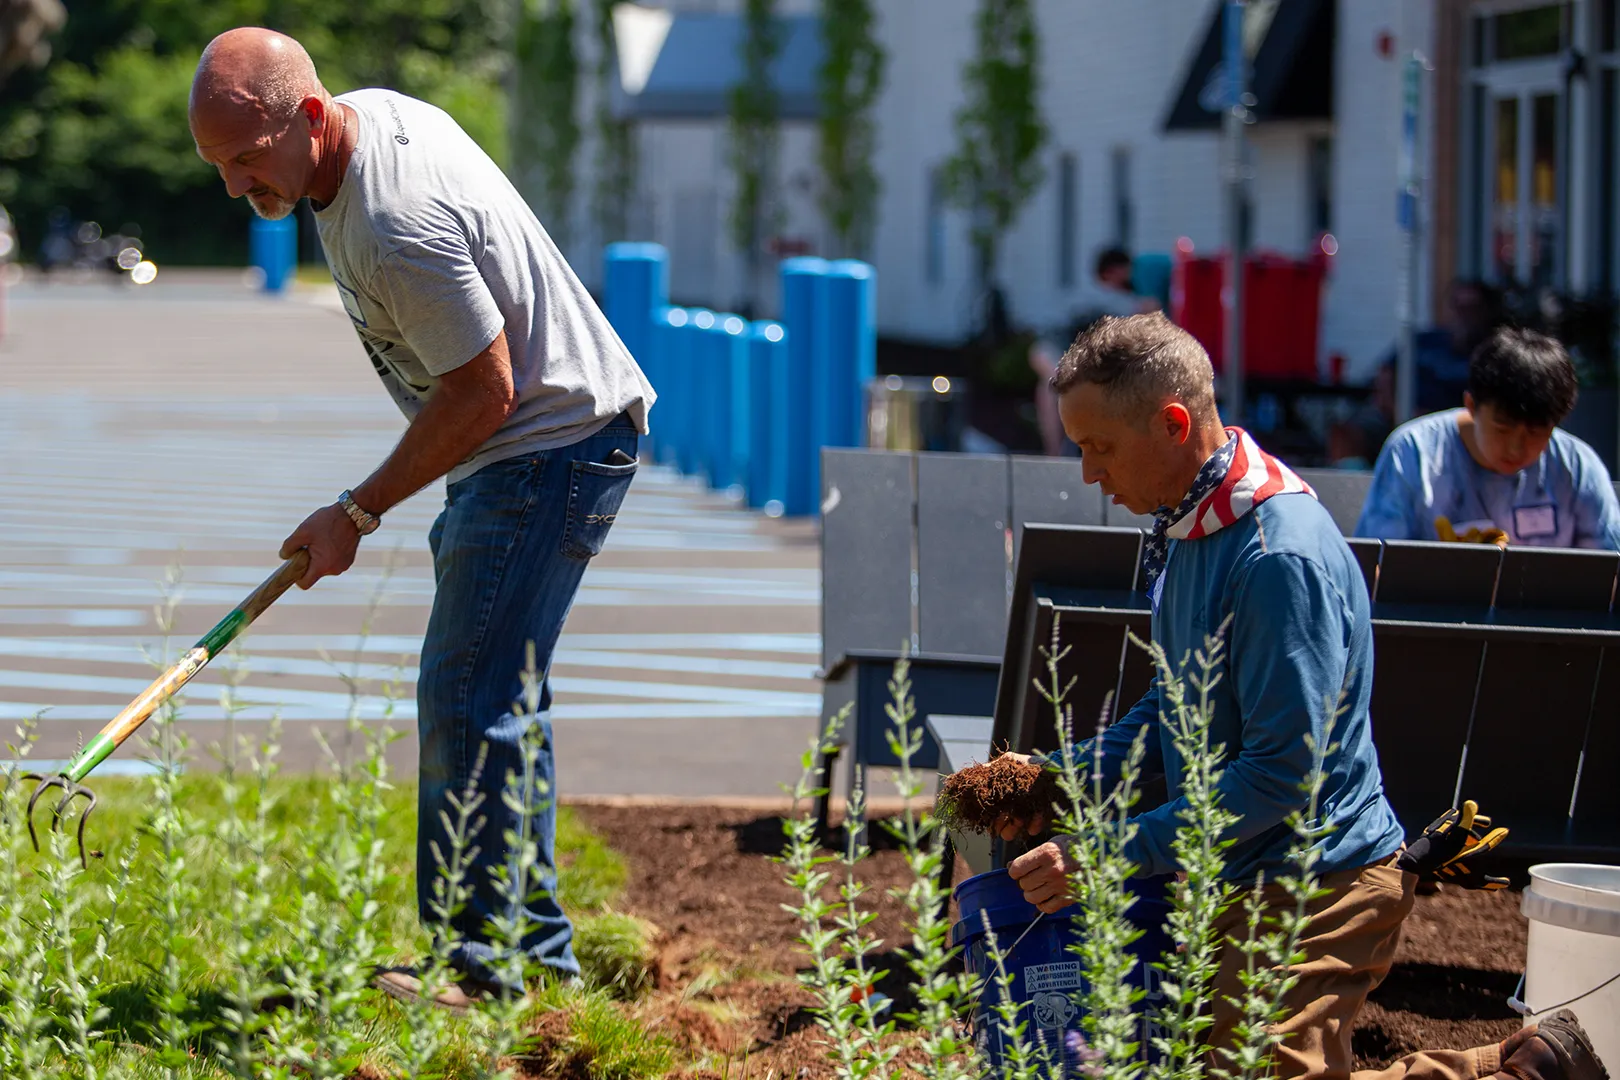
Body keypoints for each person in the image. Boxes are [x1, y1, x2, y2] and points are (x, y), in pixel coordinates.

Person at [973, 313, 1606, 1079]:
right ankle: (1523, 1064)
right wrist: (1057, 774)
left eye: (1098, 446)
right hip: (1246, 872)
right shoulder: (1194, 525)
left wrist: (1107, 853)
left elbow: (1279, 776)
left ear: (1173, 425)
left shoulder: (1276, 557)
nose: (1088, 473)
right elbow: (1175, 706)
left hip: (1321, 880)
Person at [189, 29, 655, 1009]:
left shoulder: (393, 220)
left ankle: (481, 968)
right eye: (218, 166)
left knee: (467, 698)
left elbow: (486, 393)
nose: (236, 187)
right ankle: (533, 957)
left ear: (309, 117)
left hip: (543, 449)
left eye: (247, 159)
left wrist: (355, 511)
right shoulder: (367, 125)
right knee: (499, 699)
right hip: (544, 443)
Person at [1355, 327, 1620, 550]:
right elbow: (1377, 563)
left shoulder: (1577, 466)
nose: (1516, 448)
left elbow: (1609, 566)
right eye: (1502, 428)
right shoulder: (1413, 453)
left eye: (1535, 433)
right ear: (1471, 405)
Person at [1029, 248, 1159, 456]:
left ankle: (1060, 451)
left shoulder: (1106, 296)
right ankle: (1054, 453)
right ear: (1112, 272)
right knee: (1053, 383)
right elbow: (1145, 308)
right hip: (1055, 349)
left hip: (1065, 352)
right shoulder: (1105, 296)